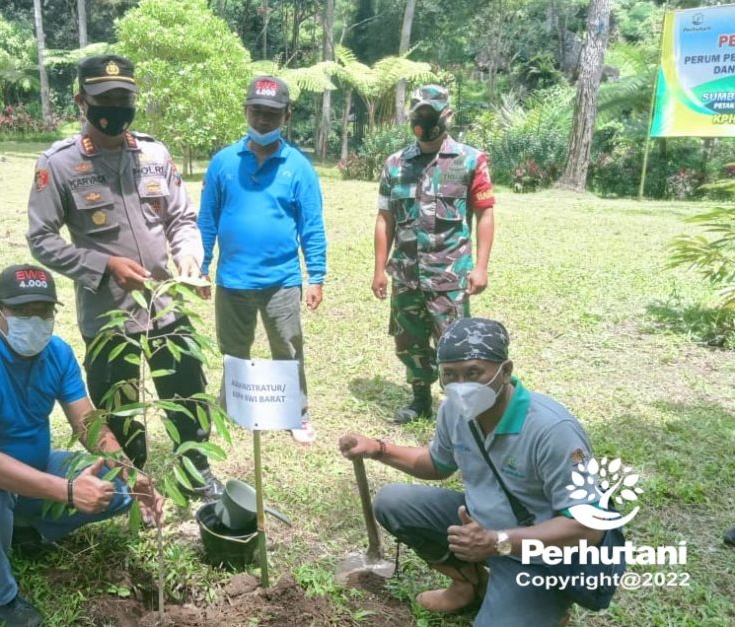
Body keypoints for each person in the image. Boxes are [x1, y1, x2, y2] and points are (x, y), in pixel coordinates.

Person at [26, 55, 223, 499]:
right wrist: (103, 265)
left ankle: (196, 473)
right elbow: (41, 238)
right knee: (117, 403)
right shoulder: (58, 164)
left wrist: (190, 258)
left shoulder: (154, 154)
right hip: (107, 313)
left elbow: (181, 219)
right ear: (82, 101)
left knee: (187, 391)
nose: (116, 109)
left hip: (165, 305)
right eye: (105, 100)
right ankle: (132, 484)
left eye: (124, 99)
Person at [0, 265, 163, 627]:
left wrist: (132, 472)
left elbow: (88, 425)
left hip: (34, 469)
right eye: (22, 311)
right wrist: (69, 491)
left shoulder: (58, 354)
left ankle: (24, 530)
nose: (34, 320)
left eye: (43, 311)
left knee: (118, 489)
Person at [339, 318, 604, 627]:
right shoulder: (454, 411)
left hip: (540, 557)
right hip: (479, 530)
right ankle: (469, 584)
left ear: (505, 371)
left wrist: (496, 541)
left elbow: (588, 528)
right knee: (393, 502)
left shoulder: (552, 430)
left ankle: (548, 605)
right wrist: (378, 448)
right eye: (450, 374)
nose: (461, 386)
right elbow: (436, 464)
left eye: (473, 373)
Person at [197, 75, 327, 444]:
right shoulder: (223, 162)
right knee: (233, 349)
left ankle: (296, 412)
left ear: (286, 115)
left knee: (287, 348)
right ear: (246, 111)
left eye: (272, 114)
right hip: (232, 280)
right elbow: (206, 219)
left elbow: (311, 225)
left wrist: (315, 275)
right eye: (257, 112)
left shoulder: (299, 167)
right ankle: (231, 405)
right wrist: (201, 267)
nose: (263, 121)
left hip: (281, 281)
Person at [372, 85, 496, 424]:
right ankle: (420, 400)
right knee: (408, 343)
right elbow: (386, 219)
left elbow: (485, 213)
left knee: (456, 347)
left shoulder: (470, 160)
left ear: (448, 115)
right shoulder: (395, 164)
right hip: (407, 275)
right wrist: (379, 269)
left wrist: (480, 267)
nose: (423, 120)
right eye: (418, 114)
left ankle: (461, 410)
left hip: (450, 274)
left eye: (430, 113)